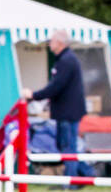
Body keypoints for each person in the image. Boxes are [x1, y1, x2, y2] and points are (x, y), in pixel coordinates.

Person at [23, 29, 87, 178]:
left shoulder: (66, 61)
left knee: (68, 147)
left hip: (68, 113)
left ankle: (72, 181)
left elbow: (56, 87)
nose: (49, 44)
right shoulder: (66, 59)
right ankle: (81, 176)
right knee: (65, 146)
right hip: (67, 112)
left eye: (51, 41)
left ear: (59, 43)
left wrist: (34, 95)